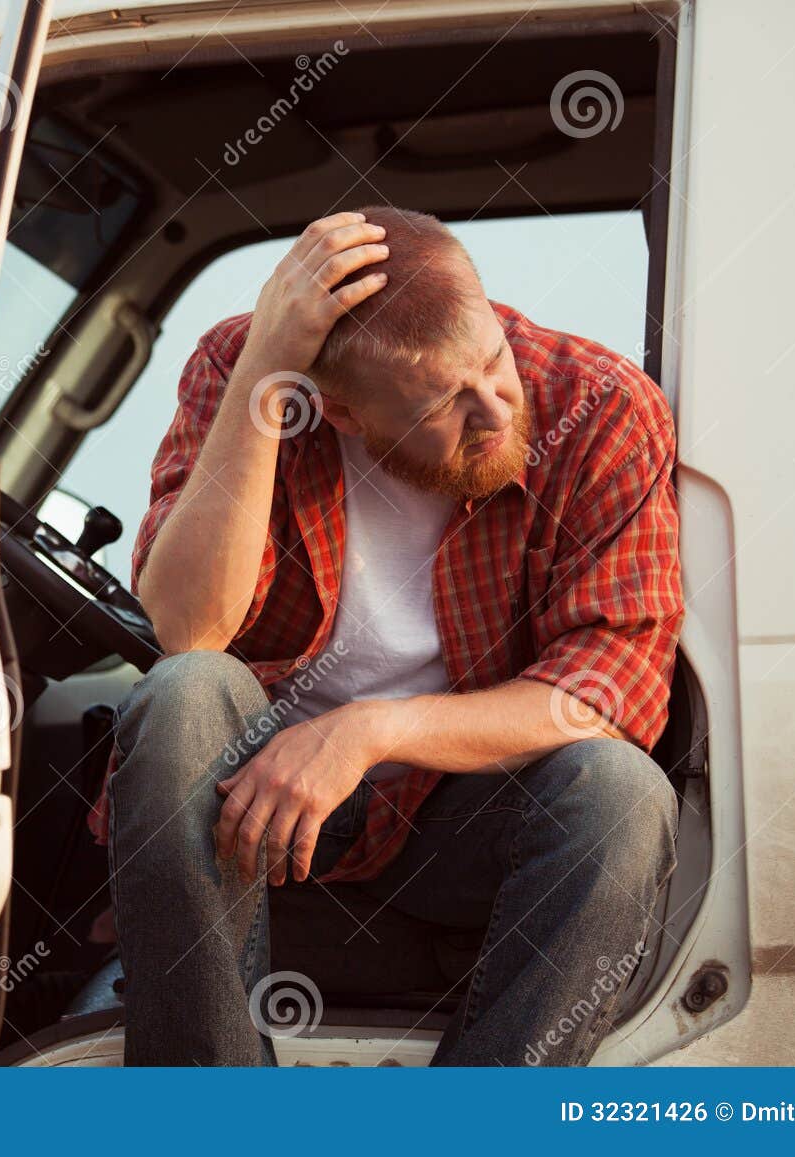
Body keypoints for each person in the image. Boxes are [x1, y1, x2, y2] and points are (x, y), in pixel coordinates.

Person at [88, 206, 684, 1066]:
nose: (495, 410)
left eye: (493, 360)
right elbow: (191, 628)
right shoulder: (250, 372)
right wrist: (264, 367)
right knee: (184, 693)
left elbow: (607, 692)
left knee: (619, 789)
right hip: (261, 822)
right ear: (339, 413)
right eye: (447, 401)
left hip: (459, 820)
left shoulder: (599, 406)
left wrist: (370, 730)